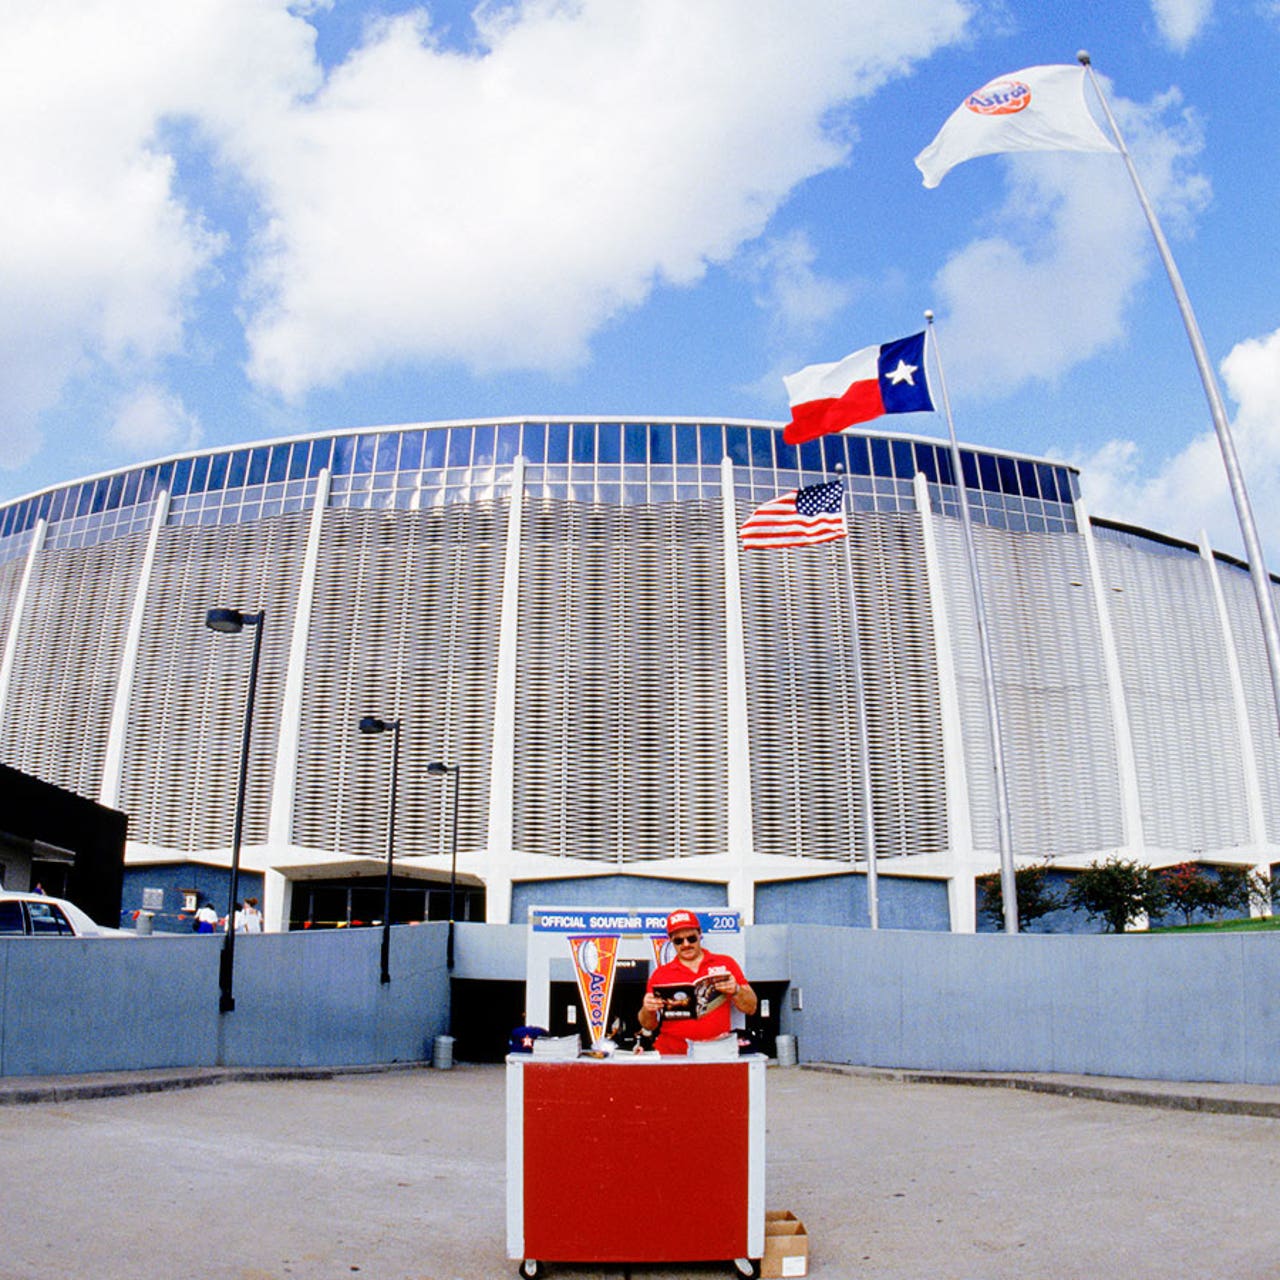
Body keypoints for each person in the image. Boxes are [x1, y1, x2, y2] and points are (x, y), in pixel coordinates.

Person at [639, 909, 757, 1056]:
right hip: (672, 1053)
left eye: (691, 938)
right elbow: (648, 1024)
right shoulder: (660, 974)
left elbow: (751, 1008)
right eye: (678, 941)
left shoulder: (726, 963)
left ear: (700, 934)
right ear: (671, 941)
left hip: (716, 1051)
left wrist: (737, 990)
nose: (686, 944)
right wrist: (647, 1008)